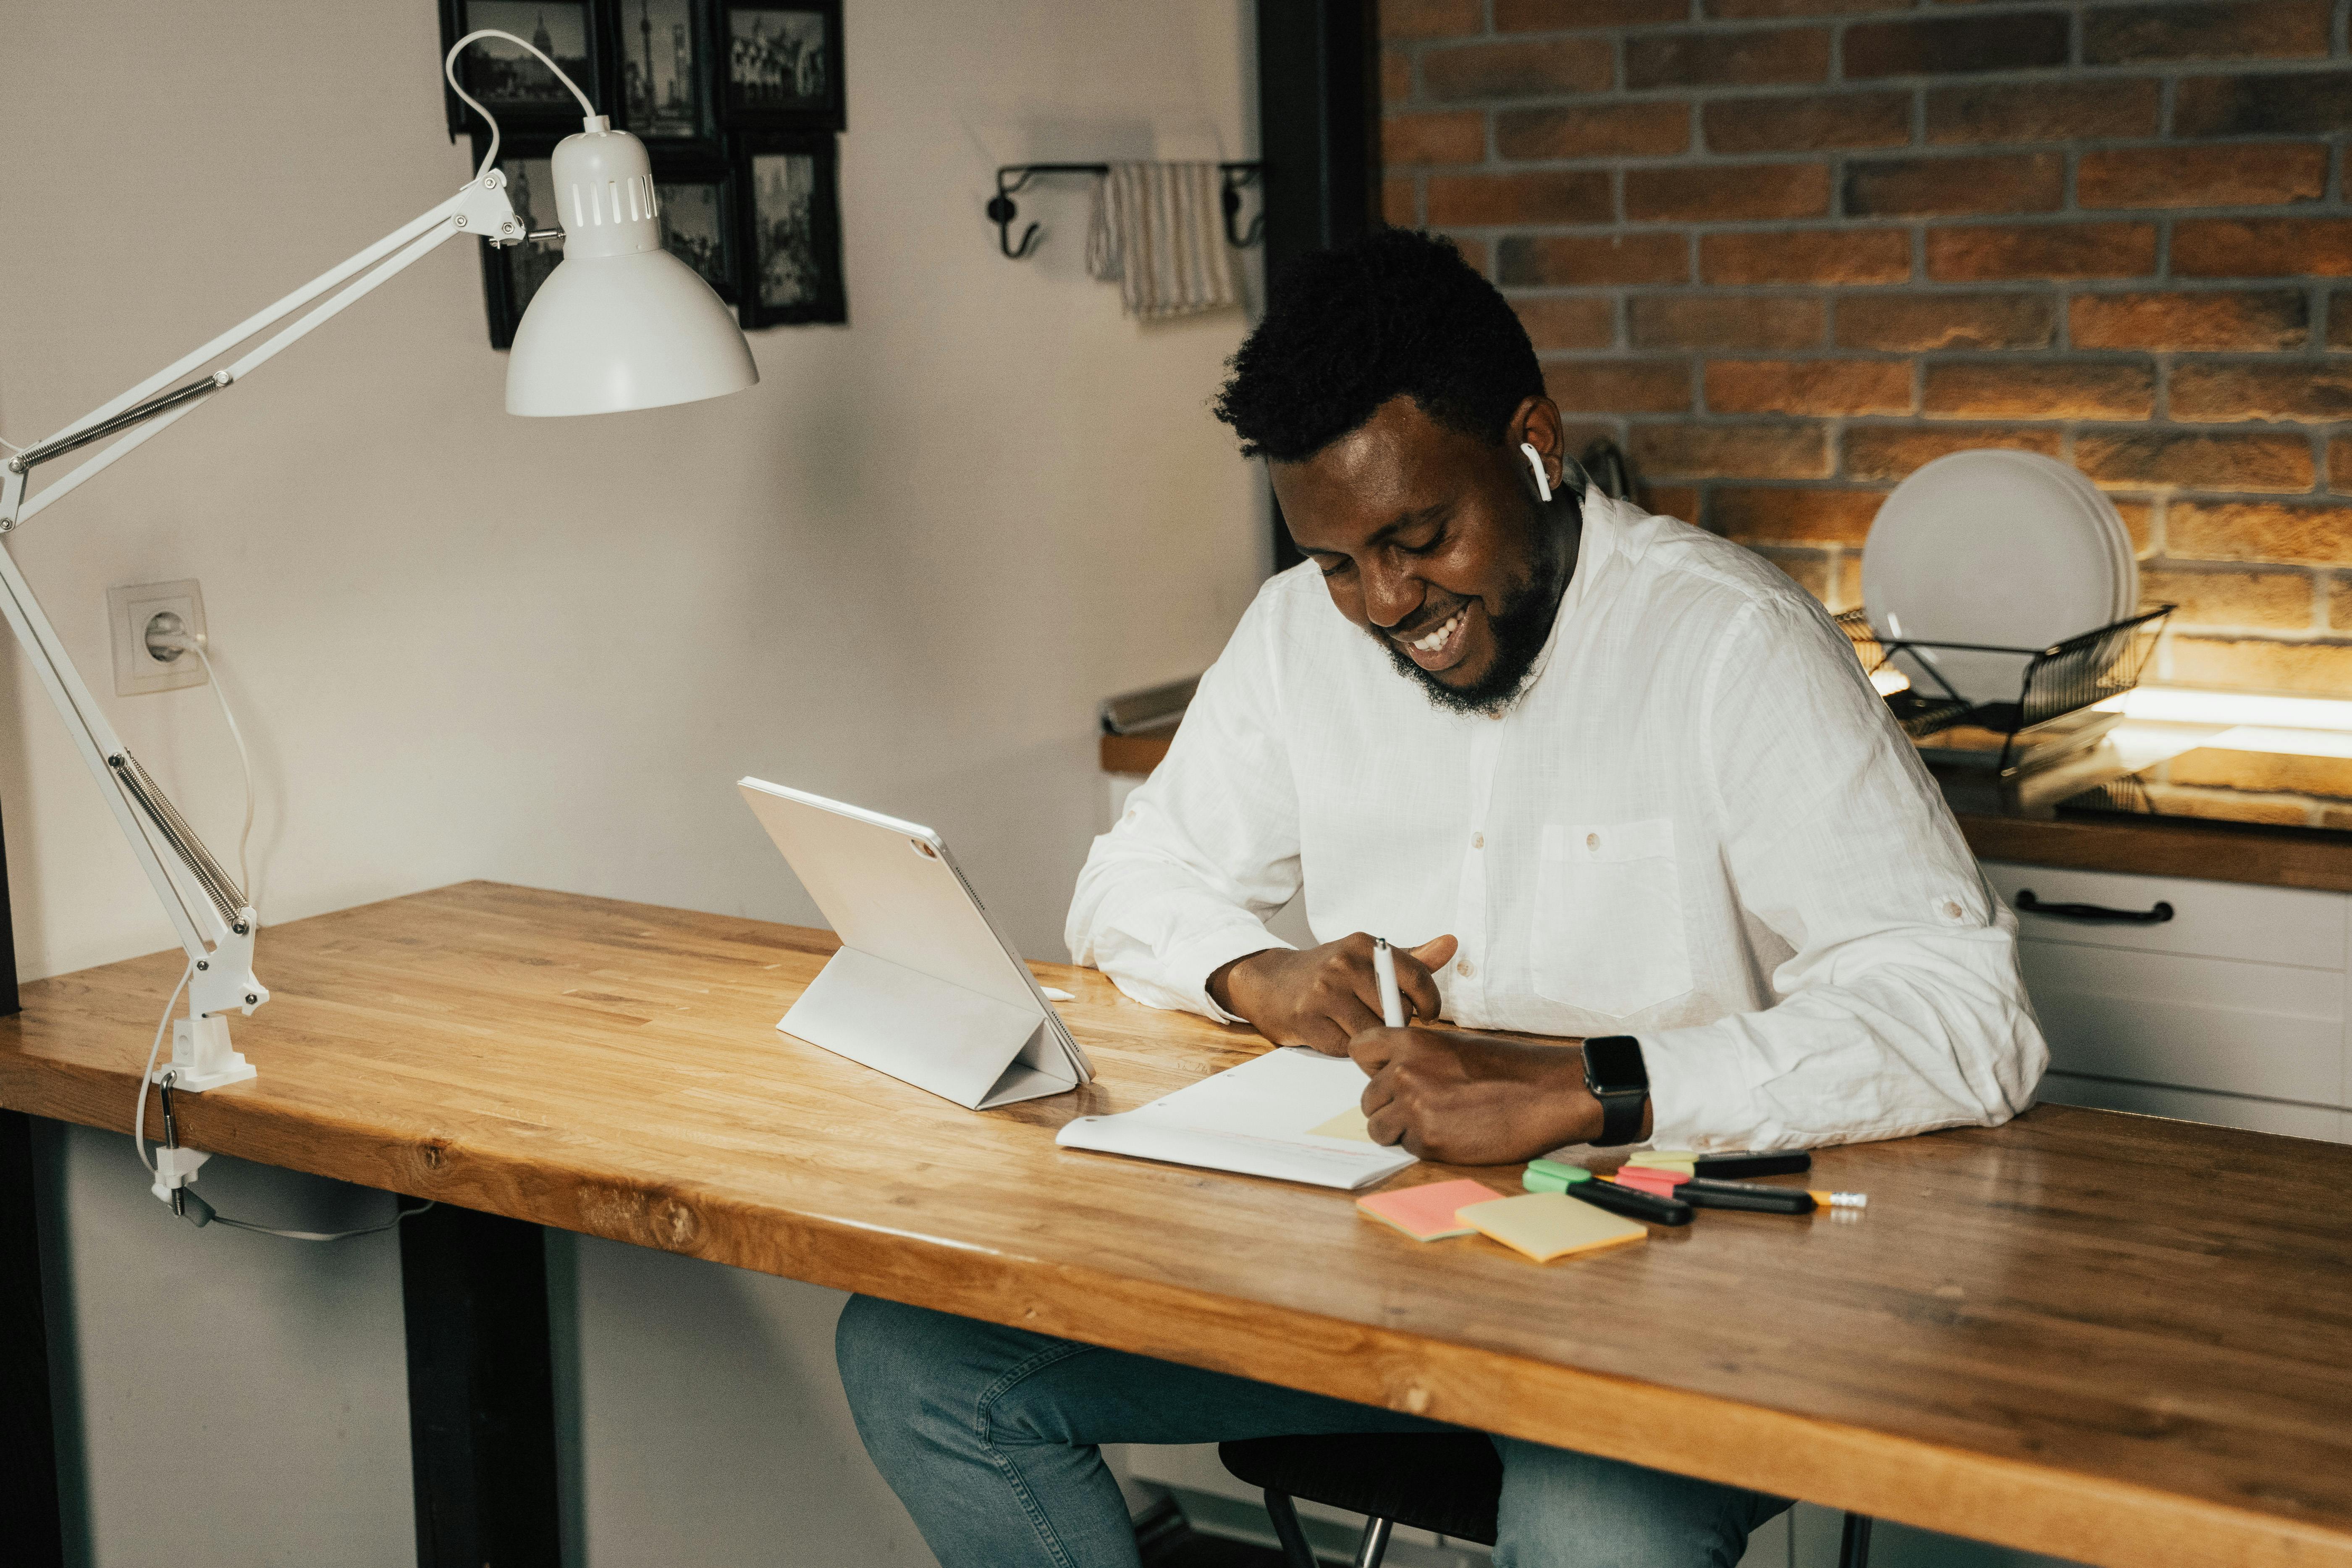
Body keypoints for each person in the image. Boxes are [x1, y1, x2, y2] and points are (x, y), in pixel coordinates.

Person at [836, 228, 2045, 1568]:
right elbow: (1132, 878)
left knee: (1591, 1530)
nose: (1387, 602)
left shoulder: (1728, 644)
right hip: (1391, 1254)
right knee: (919, 1357)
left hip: (1661, 1273)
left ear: (1533, 443)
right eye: (1343, 559)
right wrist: (1262, 975)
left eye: (1419, 538)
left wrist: (1592, 1082)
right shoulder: (1303, 632)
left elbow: (1959, 1017)